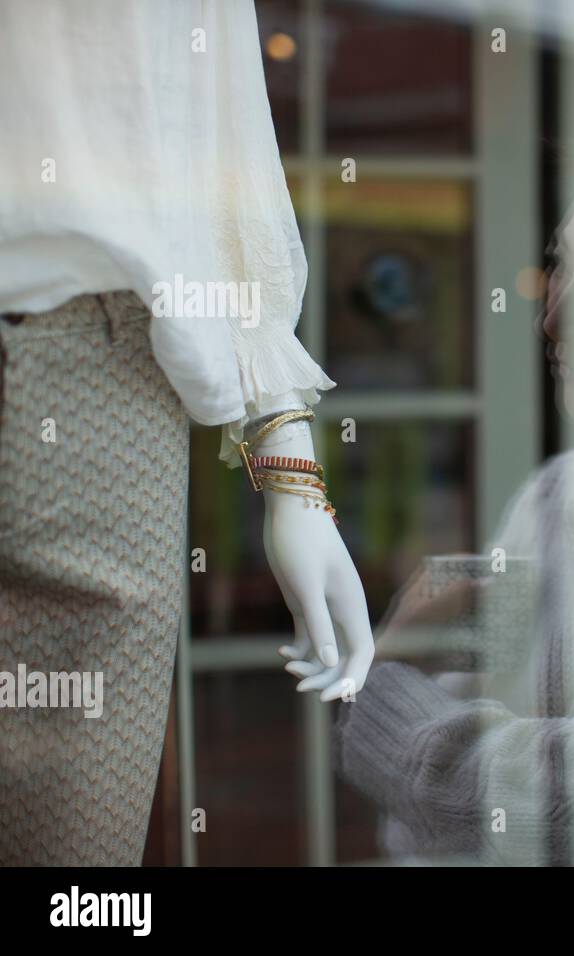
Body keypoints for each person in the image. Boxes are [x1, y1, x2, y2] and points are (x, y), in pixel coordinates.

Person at [0, 0, 372, 866]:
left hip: (98, 375)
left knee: (75, 882)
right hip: (100, 371)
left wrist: (290, 470)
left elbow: (219, 116)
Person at [334, 98, 574, 866]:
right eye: (562, 267)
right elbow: (424, 826)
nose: (553, 319)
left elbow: (570, 815)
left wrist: (378, 679)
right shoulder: (554, 494)